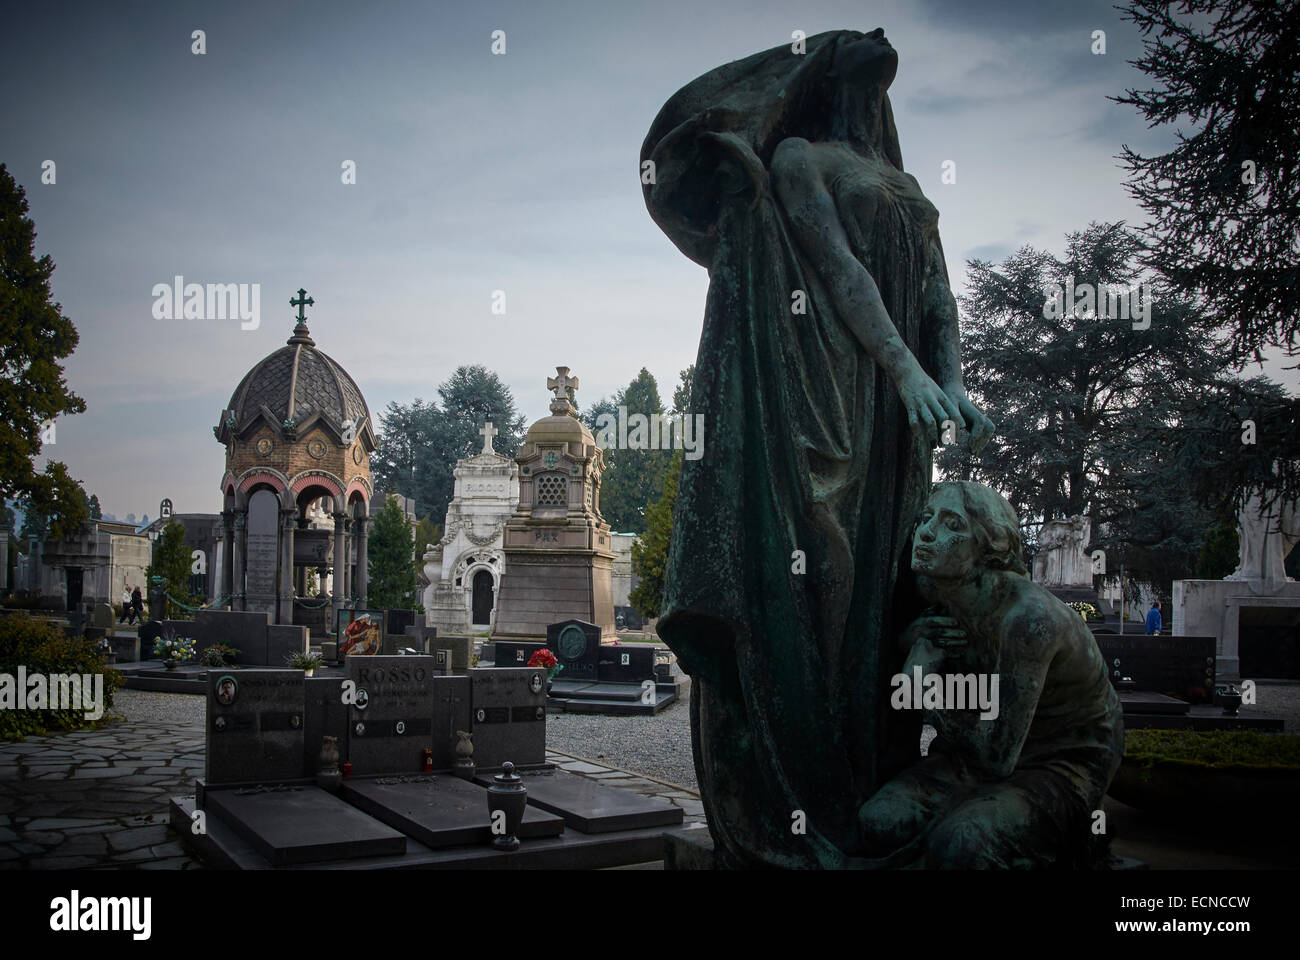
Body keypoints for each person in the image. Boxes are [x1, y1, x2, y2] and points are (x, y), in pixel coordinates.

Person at [643, 28, 994, 868]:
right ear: (825, 79)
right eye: (860, 73)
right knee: (822, 589)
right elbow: (841, 270)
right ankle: (801, 788)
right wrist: (909, 372)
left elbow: (939, 294)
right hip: (824, 396)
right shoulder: (800, 156)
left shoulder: (906, 184)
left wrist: (950, 379)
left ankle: (877, 782)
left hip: (896, 414)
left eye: (884, 80)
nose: (872, 87)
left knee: (890, 587)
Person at [857, 482, 1123, 868]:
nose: (928, 532)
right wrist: (908, 640)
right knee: (878, 823)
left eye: (953, 525)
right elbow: (926, 644)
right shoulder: (938, 588)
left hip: (1060, 763)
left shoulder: (1029, 621)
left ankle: (1072, 837)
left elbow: (995, 759)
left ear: (989, 549)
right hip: (978, 751)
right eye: (926, 519)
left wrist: (923, 693)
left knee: (960, 844)